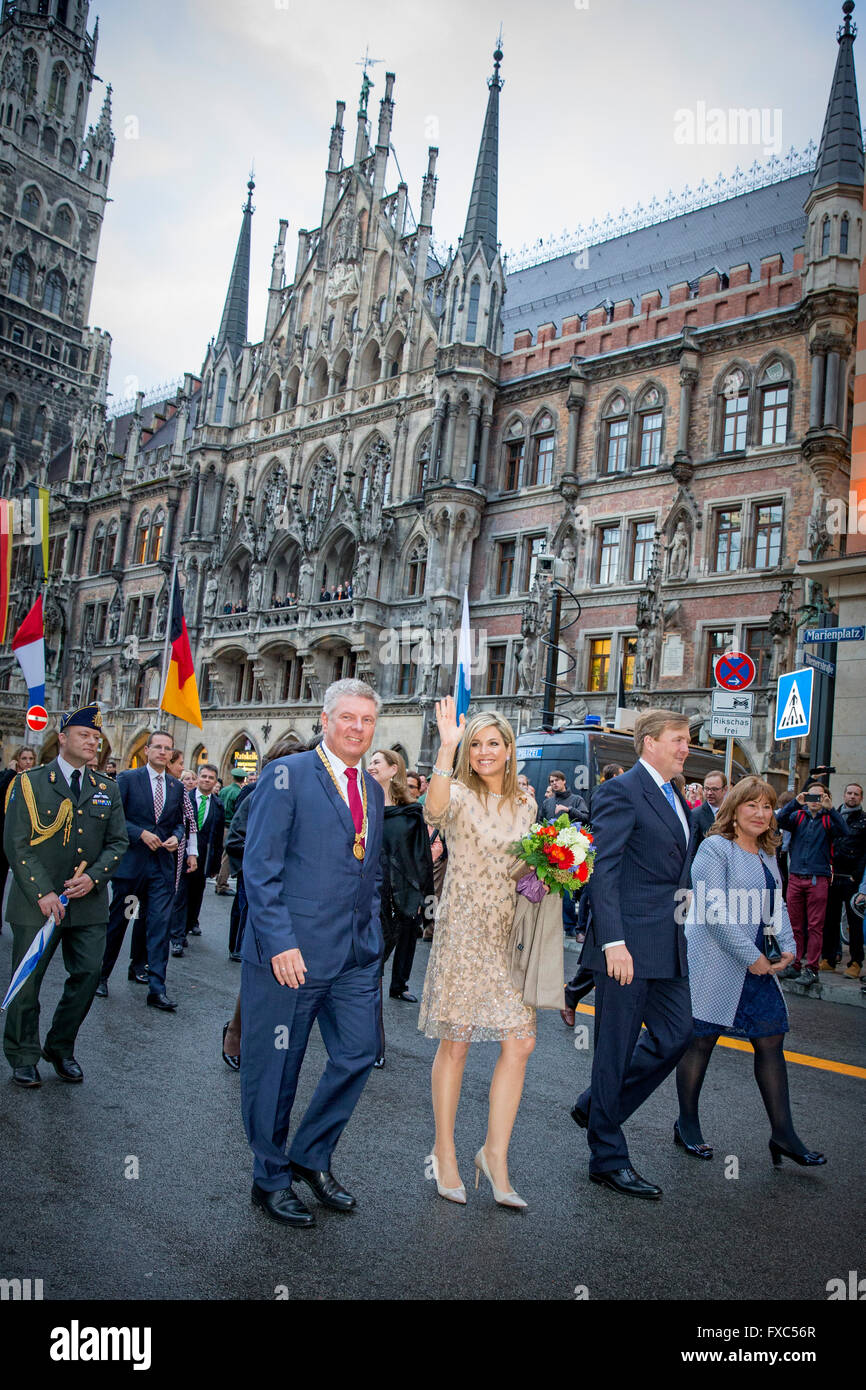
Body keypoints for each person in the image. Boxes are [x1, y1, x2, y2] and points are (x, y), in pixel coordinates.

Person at [241, 679, 384, 1228]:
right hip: (292, 955)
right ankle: (270, 1177)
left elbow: (368, 871)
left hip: (352, 956)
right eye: (347, 718)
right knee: (277, 1067)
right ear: (325, 720)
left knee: (358, 1052)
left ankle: (310, 1155)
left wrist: (368, 939)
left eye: (367, 721)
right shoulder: (288, 774)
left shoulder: (370, 787)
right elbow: (260, 867)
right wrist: (279, 944)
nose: (357, 729)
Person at [571, 708, 698, 1200]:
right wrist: (612, 943)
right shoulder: (621, 791)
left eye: (687, 741)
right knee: (614, 1049)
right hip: (625, 946)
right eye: (679, 740)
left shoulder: (676, 797)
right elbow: (603, 870)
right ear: (649, 743)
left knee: (677, 1034)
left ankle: (595, 1107)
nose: (685, 748)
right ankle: (607, 1157)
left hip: (669, 944)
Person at [420, 699, 536, 1209]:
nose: (485, 752)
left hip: (510, 934)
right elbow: (432, 810)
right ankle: (445, 1151)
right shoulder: (459, 795)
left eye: (494, 743)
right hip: (465, 930)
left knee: (521, 1042)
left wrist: (557, 870)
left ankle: (494, 1154)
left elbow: (529, 870)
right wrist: (446, 745)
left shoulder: (528, 806)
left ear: (510, 750)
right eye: (477, 744)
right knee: (458, 1043)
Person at [675, 777, 825, 1167]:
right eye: (752, 806)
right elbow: (713, 910)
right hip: (715, 960)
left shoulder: (767, 852)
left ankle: (783, 1134)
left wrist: (789, 945)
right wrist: (749, 956)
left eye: (767, 806)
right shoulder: (715, 848)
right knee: (702, 1041)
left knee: (771, 1038)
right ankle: (686, 1123)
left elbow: (773, 907)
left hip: (754, 961)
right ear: (734, 809)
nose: (761, 814)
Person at [2, 705, 128, 1087]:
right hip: (36, 902)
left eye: (96, 737)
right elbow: (17, 843)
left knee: (89, 974)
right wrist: (43, 893)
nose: (93, 742)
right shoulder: (30, 783)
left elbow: (118, 842)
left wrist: (93, 878)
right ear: (62, 739)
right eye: (85, 735)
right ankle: (23, 1053)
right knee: (29, 981)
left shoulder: (106, 788)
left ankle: (59, 1046)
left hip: (86, 903)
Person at [222, 741, 303, 1069]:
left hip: (300, 900)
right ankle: (236, 1032)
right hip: (265, 897)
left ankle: (274, 1042)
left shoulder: (309, 801)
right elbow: (236, 842)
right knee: (260, 969)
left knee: (291, 977)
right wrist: (268, 870)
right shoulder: (256, 795)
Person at [96, 729, 187, 1011]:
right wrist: (140, 834)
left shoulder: (176, 787)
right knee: (119, 922)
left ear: (171, 754)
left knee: (159, 926)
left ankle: (157, 988)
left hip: (161, 869)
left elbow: (179, 823)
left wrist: (177, 837)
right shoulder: (128, 779)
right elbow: (116, 818)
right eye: (157, 747)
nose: (163, 752)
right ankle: (100, 977)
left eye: (167, 748)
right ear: (146, 750)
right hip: (132, 868)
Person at [367, 748, 434, 1063]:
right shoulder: (359, 805)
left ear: (394, 769)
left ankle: (372, 1041)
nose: (371, 766)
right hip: (357, 898)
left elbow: (421, 862)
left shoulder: (409, 815)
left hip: (393, 903)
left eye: (377, 762)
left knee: (372, 968)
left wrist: (427, 907)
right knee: (363, 970)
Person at [776, 782, 846, 986]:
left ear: (825, 798)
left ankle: (812, 968)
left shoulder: (828, 819)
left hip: (818, 877)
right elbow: (778, 820)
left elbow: (844, 831)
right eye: (811, 797)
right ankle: (795, 964)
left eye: (819, 797)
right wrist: (795, 804)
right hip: (796, 877)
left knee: (815, 926)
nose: (815, 801)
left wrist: (831, 809)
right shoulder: (798, 816)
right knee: (795, 925)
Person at [821, 782, 866, 978]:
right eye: (849, 793)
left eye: (856, 794)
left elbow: (864, 852)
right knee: (829, 920)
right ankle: (829, 959)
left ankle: (856, 961)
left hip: (851, 878)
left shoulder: (864, 821)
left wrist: (857, 874)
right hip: (832, 876)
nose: (852, 796)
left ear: (861, 798)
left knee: (854, 922)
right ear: (844, 794)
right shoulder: (833, 816)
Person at [182, 763, 225, 944]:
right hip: (183, 855)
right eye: (204, 776)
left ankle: (193, 921)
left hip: (205, 855)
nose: (207, 780)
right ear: (198, 778)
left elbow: (217, 837)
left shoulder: (218, 804)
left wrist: (215, 864)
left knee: (197, 890)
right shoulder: (185, 799)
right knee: (181, 893)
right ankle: (178, 933)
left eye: (211, 778)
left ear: (215, 781)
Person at [0, 746, 38, 928]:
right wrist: (9, 771)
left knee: (25, 881)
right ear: (17, 760)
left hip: (27, 841)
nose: (28, 762)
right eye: (24, 758)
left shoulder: (37, 781)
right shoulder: (9, 778)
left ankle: (25, 921)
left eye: (31, 758)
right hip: (5, 837)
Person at [215, 768, 247, 894]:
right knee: (227, 857)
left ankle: (219, 878)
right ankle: (221, 883)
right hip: (230, 826)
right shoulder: (237, 792)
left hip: (221, 825)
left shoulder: (224, 790)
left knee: (222, 854)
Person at [690, 770, 728, 849]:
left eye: (714, 789)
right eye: (706, 789)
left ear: (725, 790)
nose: (709, 793)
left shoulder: (732, 813)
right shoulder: (695, 815)